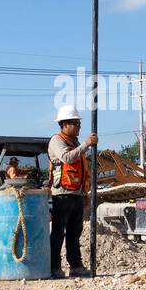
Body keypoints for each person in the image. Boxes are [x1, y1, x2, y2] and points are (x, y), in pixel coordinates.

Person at [48, 105, 97, 278]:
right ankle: (54, 267)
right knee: (58, 233)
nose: (78, 127)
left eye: (79, 124)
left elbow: (82, 170)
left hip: (75, 194)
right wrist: (86, 144)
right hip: (62, 194)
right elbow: (67, 158)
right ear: (65, 124)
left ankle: (76, 266)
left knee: (74, 234)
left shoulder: (74, 143)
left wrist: (84, 193)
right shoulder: (57, 140)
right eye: (76, 123)